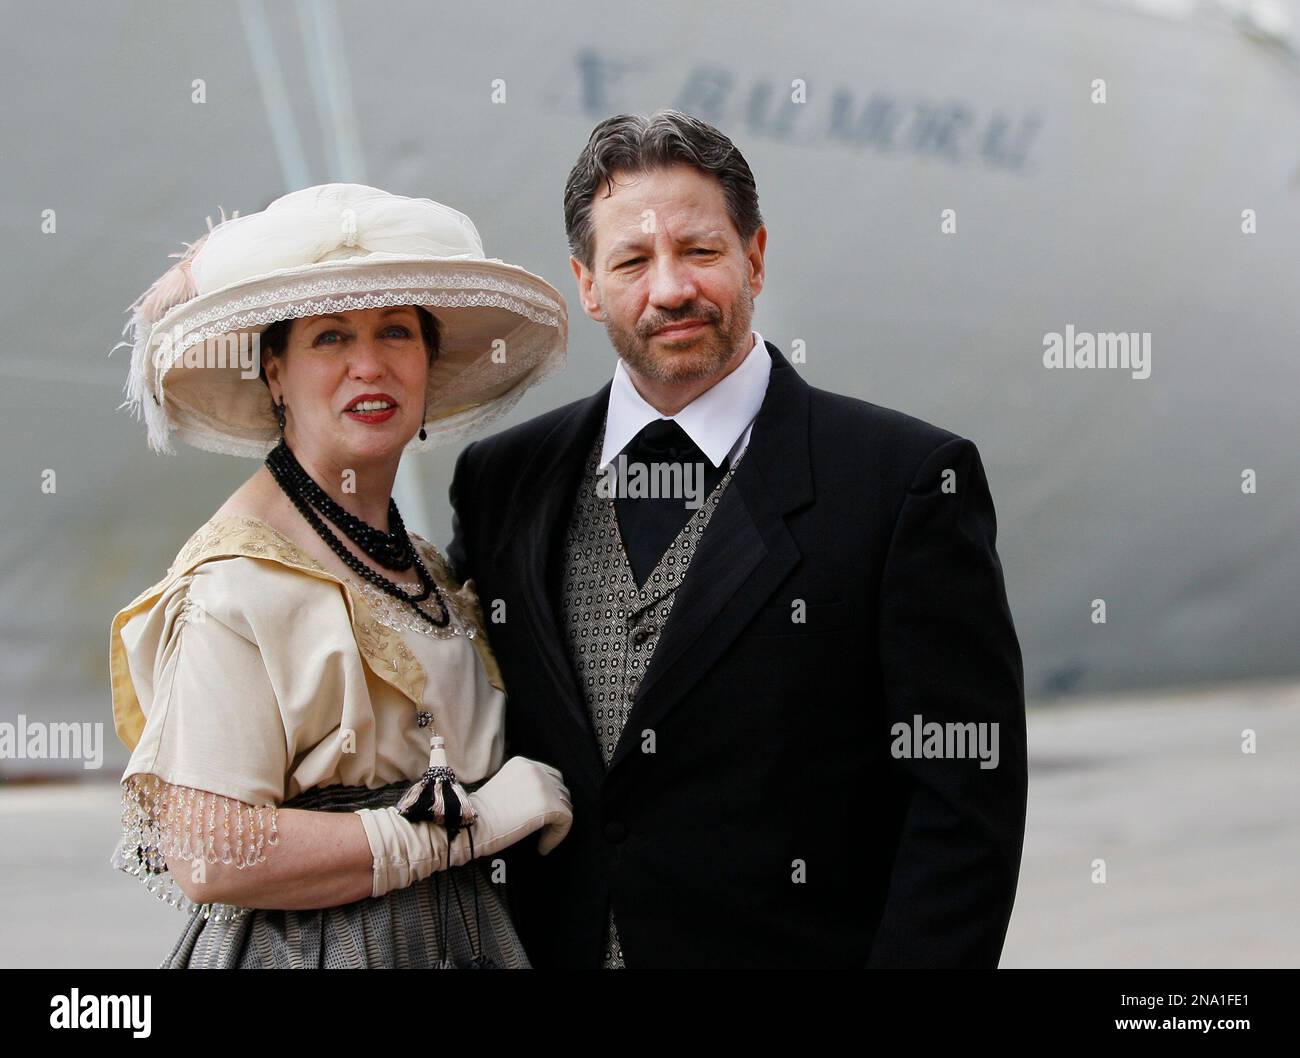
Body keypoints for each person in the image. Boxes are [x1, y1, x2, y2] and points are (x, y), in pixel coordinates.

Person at [445, 111, 1029, 968]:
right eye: (634, 261)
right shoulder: (503, 481)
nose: (671, 289)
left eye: (701, 251)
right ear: (587, 283)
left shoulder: (904, 481)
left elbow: (962, 808)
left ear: (753, 256)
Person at [109, 182, 573, 968]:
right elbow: (208, 853)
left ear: (428, 363)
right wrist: (474, 826)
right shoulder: (238, 580)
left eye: (396, 331)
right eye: (330, 337)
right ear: (276, 374)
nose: (369, 364)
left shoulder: (415, 561)